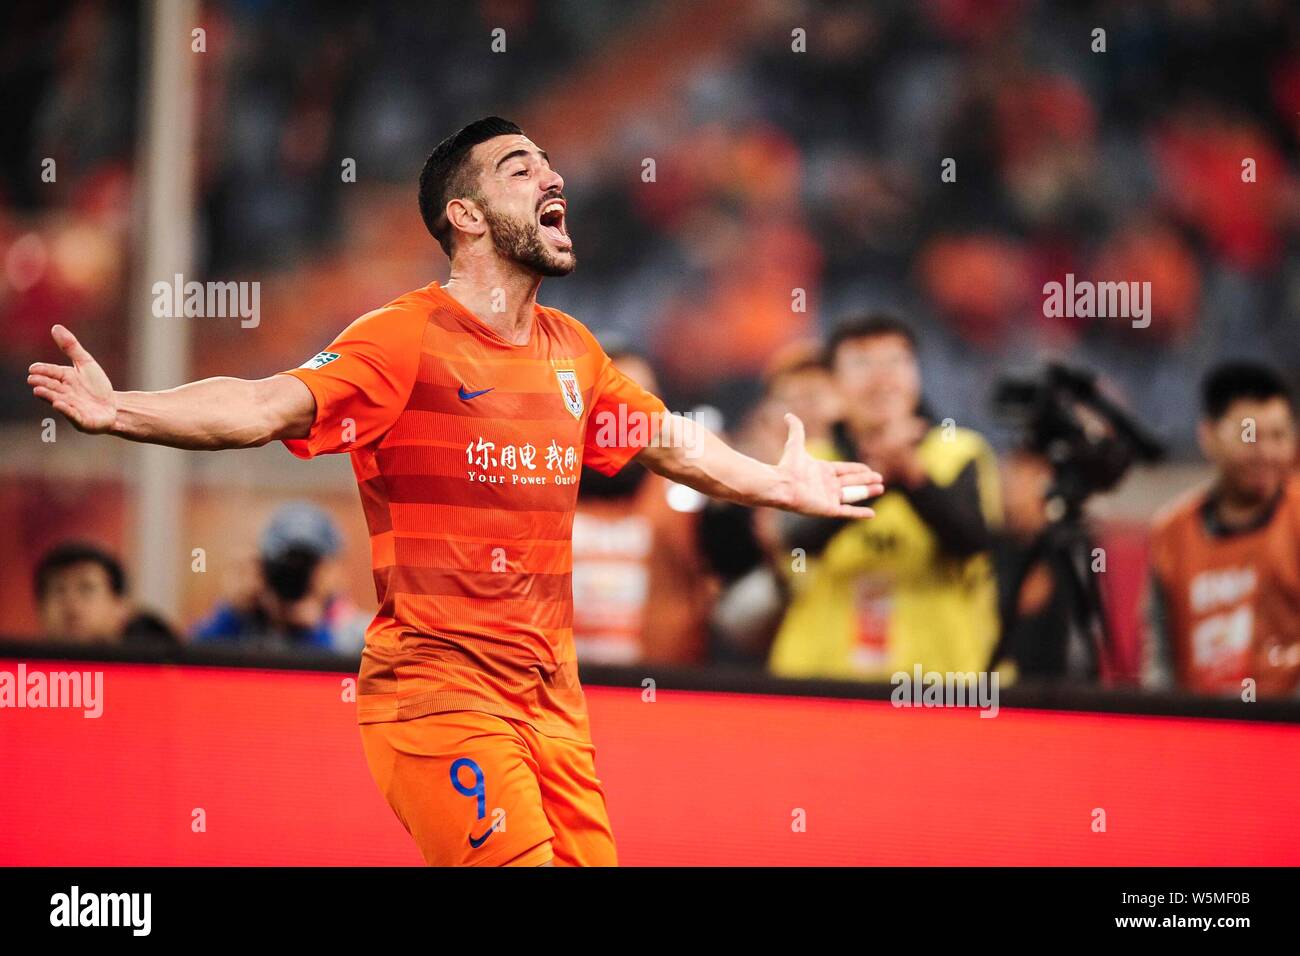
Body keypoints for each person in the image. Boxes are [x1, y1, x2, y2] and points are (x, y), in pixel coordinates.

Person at [27, 116, 883, 867]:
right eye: (520, 168)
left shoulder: (571, 351)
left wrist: (774, 481)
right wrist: (121, 411)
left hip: (553, 703)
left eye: (550, 165)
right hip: (438, 690)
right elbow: (258, 406)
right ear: (464, 217)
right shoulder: (403, 339)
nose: (552, 177)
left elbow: (667, 444)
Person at [768, 314, 1001, 680]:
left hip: (940, 684)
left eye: (896, 360)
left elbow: (972, 540)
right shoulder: (810, 456)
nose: (882, 376)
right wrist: (881, 473)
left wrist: (912, 476)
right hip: (821, 682)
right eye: (861, 362)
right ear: (833, 385)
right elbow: (797, 541)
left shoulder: (960, 452)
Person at [1145, 362, 1300, 697]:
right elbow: (1159, 661)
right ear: (1208, 436)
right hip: (1203, 734)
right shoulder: (1172, 533)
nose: (1267, 453)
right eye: (1251, 437)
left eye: (1279, 436)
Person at [571, 348, 712, 666]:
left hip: (661, 693)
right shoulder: (540, 481)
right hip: (555, 693)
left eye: (640, 400)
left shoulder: (686, 492)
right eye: (615, 399)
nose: (625, 418)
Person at [192, 502, 369, 655]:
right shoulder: (241, 625)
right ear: (264, 567)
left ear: (335, 570)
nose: (295, 574)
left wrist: (311, 632)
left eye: (309, 565)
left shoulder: (362, 637)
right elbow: (189, 669)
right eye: (285, 562)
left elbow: (335, 684)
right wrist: (231, 613)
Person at [32, 541, 179, 648]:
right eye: (59, 590)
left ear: (120, 606)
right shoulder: (19, 679)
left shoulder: (153, 675)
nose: (71, 603)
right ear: (40, 608)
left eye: (86, 589)